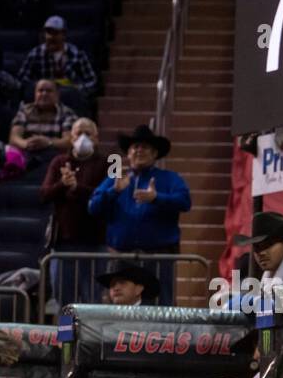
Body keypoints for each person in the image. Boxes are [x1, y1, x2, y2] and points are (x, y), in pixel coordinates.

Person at [88, 125, 191, 304]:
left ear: (155, 154)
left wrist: (157, 198)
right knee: (119, 309)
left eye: (145, 147)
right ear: (128, 153)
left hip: (158, 258)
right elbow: (93, 207)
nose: (139, 150)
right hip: (121, 258)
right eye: (135, 147)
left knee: (162, 306)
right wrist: (113, 191)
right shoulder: (116, 179)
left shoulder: (170, 178)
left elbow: (184, 202)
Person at [41, 117, 109, 304]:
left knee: (92, 299)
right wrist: (63, 184)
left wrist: (76, 188)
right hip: (64, 243)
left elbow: (108, 197)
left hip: (95, 243)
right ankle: (65, 334)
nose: (83, 138)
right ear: (71, 138)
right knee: (63, 299)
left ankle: (90, 334)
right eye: (79, 133)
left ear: (96, 138)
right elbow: (44, 194)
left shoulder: (107, 163)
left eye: (88, 133)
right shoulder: (59, 162)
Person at [16, 14, 98, 100]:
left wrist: (76, 91)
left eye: (55, 33)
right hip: (43, 101)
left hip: (70, 100)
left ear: (64, 35)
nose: (51, 37)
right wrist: (39, 88)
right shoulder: (35, 54)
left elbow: (92, 81)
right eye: (48, 33)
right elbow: (22, 81)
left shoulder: (77, 54)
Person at [96, 262, 161, 305]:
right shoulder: (105, 316)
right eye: (112, 284)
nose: (116, 288)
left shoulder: (151, 314)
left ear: (139, 288)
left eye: (122, 283)